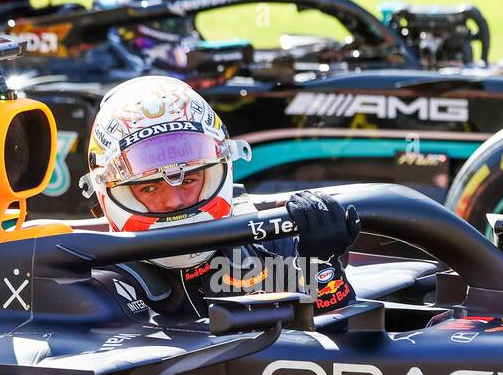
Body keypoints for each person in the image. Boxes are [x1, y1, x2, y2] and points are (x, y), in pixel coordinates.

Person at [83, 75, 360, 319]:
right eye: (150, 188)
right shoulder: (96, 283)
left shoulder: (265, 246)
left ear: (220, 172)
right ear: (110, 193)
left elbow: (346, 350)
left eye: (189, 179)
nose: (174, 201)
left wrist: (322, 268)